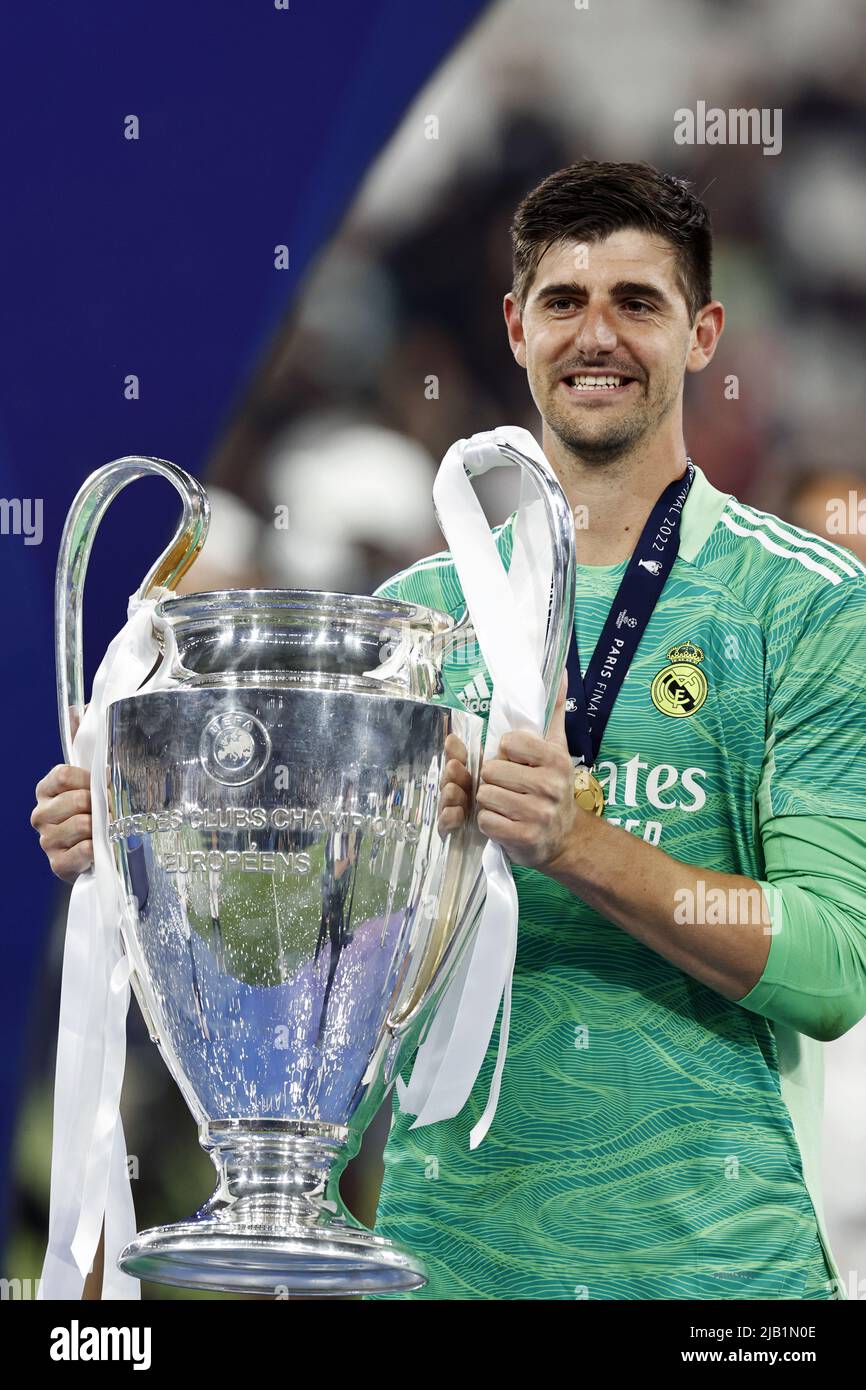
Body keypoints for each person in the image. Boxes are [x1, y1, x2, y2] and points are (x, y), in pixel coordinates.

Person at [32, 159, 866, 1301]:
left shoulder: (806, 602)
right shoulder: (413, 624)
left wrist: (577, 843)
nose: (597, 335)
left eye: (638, 302)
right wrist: (149, 840)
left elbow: (830, 962)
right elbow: (325, 955)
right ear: (516, 327)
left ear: (704, 333)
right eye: (564, 302)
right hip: (448, 1263)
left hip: (720, 1274)